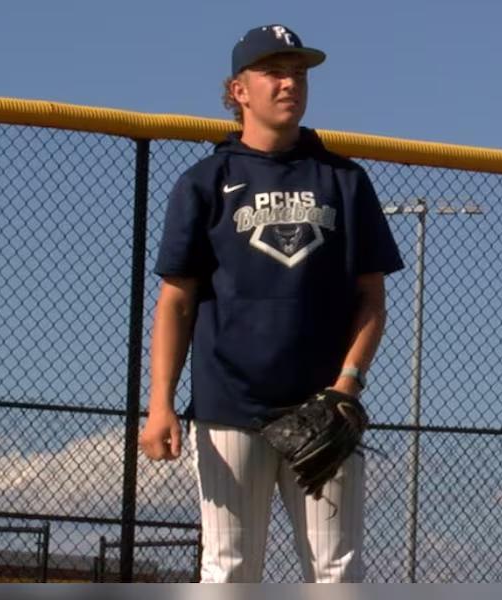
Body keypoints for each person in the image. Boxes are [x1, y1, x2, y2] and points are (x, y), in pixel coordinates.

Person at [139, 24, 404, 583]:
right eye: (275, 73)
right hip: (228, 406)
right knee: (230, 569)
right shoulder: (205, 181)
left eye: (300, 74)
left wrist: (346, 386)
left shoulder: (345, 180)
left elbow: (372, 299)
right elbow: (176, 302)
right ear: (239, 90)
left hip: (323, 407)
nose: (291, 84)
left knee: (336, 570)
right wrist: (159, 401)